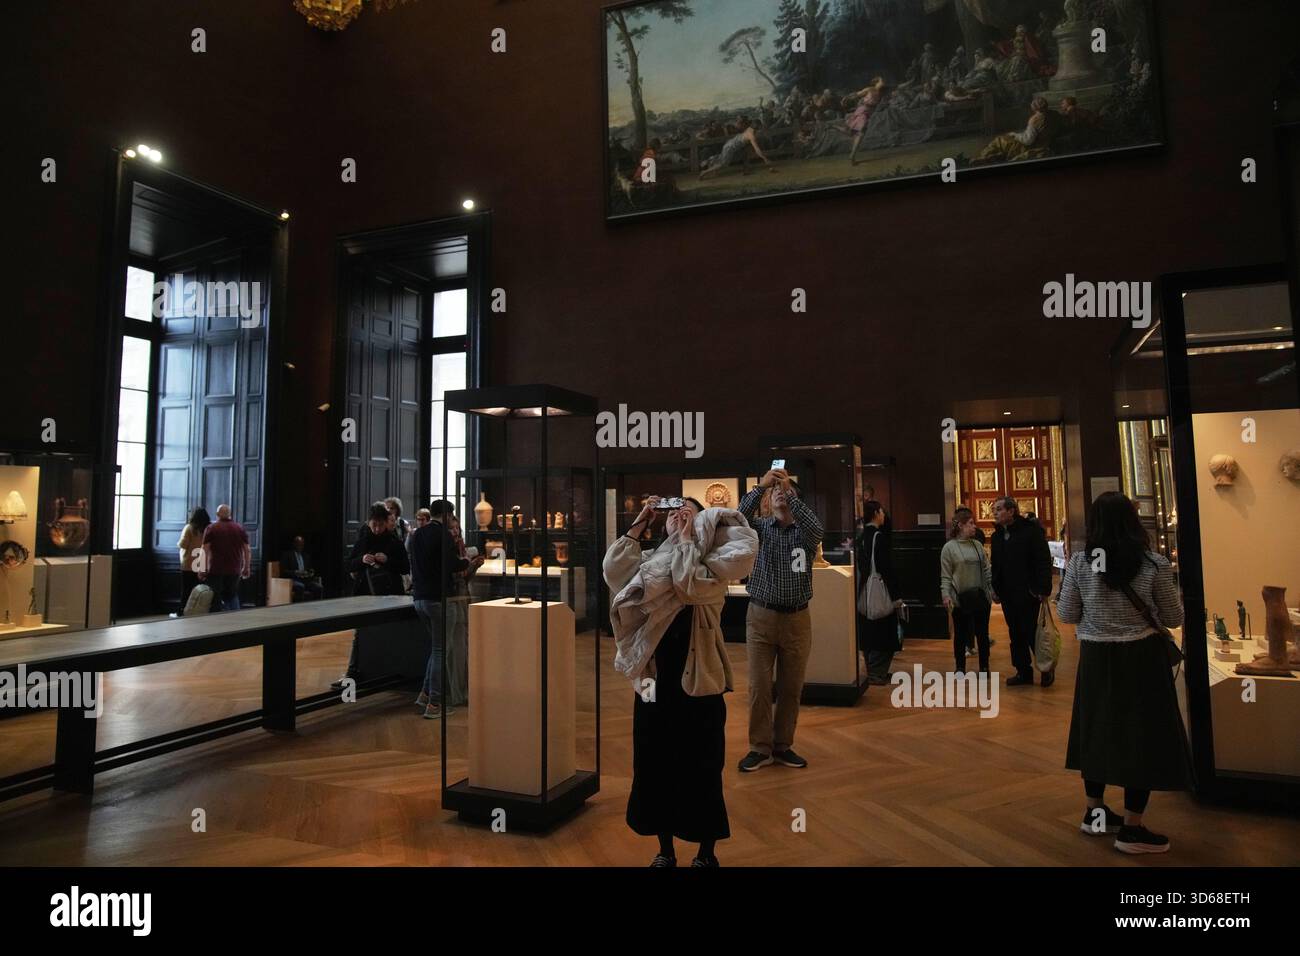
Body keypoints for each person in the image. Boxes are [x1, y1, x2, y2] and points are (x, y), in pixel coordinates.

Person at [605, 495, 758, 867]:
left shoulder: (713, 567)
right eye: (672, 513)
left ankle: (706, 852)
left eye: (685, 512)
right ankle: (665, 849)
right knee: (654, 763)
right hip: (655, 678)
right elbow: (613, 572)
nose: (676, 517)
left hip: (699, 679)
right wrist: (641, 523)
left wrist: (687, 540)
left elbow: (687, 585)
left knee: (701, 765)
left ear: (702, 521)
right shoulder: (652, 562)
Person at [1058, 492, 1192, 854]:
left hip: (1096, 657)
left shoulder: (1080, 564)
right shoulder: (1152, 563)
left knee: (1096, 729)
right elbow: (1174, 617)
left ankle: (1095, 814)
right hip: (1141, 657)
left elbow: (1067, 613)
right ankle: (1132, 829)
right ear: (1133, 520)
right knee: (1141, 738)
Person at [736, 469, 824, 772]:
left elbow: (816, 527)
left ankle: (783, 745)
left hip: (798, 619)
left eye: (785, 493)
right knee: (759, 686)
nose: (779, 495)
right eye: (776, 493)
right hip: (761, 616)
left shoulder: (805, 534)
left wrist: (789, 495)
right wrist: (761, 487)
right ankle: (759, 748)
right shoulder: (759, 529)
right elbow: (736, 519)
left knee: (791, 687)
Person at [332, 503, 411, 689]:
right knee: (360, 633)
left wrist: (387, 561)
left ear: (386, 523)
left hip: (389, 594)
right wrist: (361, 560)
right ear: (369, 523)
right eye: (373, 525)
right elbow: (348, 565)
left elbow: (405, 568)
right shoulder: (362, 541)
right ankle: (353, 671)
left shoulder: (394, 542)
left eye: (380, 525)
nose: (376, 529)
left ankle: (389, 670)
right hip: (364, 593)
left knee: (389, 632)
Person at [409, 500, 474, 719]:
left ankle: (425, 694)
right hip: (439, 599)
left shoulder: (417, 534)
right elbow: (451, 565)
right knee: (440, 651)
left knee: (435, 649)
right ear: (445, 514)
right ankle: (435, 704)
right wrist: (466, 561)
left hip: (419, 599)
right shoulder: (443, 535)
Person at [990, 495, 1054, 687]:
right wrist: (995, 588)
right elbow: (996, 565)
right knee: (1015, 632)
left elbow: (1042, 561)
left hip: (1029, 592)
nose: (995, 512)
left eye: (999, 509)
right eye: (994, 509)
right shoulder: (997, 536)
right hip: (1008, 593)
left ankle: (1046, 668)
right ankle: (1023, 671)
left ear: (1011, 511)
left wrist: (1043, 588)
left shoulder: (1031, 531)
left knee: (1031, 632)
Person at [941, 507, 993, 673]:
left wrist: (990, 590)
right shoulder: (949, 548)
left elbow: (986, 569)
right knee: (961, 635)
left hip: (980, 597)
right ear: (961, 526)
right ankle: (960, 667)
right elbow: (946, 575)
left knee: (982, 635)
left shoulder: (977, 545)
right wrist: (946, 595)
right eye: (970, 523)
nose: (974, 527)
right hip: (959, 599)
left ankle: (984, 667)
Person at [855, 499, 901, 685]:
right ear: (875, 513)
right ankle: (878, 672)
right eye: (881, 511)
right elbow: (886, 569)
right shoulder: (878, 537)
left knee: (868, 631)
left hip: (863, 592)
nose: (884, 515)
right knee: (885, 630)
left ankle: (872, 669)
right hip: (880, 590)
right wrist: (896, 596)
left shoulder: (860, 536)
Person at [199, 504, 250, 612]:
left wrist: (202, 569)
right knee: (232, 595)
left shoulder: (211, 528)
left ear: (217, 514)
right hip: (234, 569)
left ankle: (218, 623)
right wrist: (246, 567)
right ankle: (235, 619)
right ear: (230, 514)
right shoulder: (239, 528)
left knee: (215, 597)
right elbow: (247, 549)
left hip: (215, 569)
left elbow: (204, 550)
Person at [698, 117, 776, 179]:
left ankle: (746, 170)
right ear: (757, 126)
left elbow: (759, 131)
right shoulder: (751, 135)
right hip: (730, 147)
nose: (760, 127)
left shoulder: (749, 129)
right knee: (723, 164)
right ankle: (704, 172)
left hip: (729, 144)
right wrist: (765, 159)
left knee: (744, 153)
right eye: (760, 126)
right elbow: (757, 150)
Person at [176, 506, 210, 615]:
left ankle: (183, 611)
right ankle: (200, 611)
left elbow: (183, 544)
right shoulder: (209, 528)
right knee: (201, 589)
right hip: (202, 562)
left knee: (187, 589)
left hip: (189, 563)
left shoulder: (189, 528)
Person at [846, 77, 887, 164]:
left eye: (883, 81)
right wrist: (846, 98)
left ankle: (852, 156)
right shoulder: (869, 89)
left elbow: (898, 87)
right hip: (863, 112)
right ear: (876, 83)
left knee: (858, 134)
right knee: (860, 134)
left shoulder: (882, 93)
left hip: (867, 114)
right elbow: (856, 95)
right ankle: (852, 156)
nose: (883, 82)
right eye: (881, 81)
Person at [279, 535, 324, 601]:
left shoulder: (306, 556)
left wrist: (311, 572)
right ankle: (299, 607)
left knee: (318, 587)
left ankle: (315, 606)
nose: (300, 546)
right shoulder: (287, 555)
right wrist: (296, 572)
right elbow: (283, 571)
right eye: (298, 544)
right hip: (293, 579)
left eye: (302, 544)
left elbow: (310, 568)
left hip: (306, 579)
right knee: (300, 586)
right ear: (294, 544)